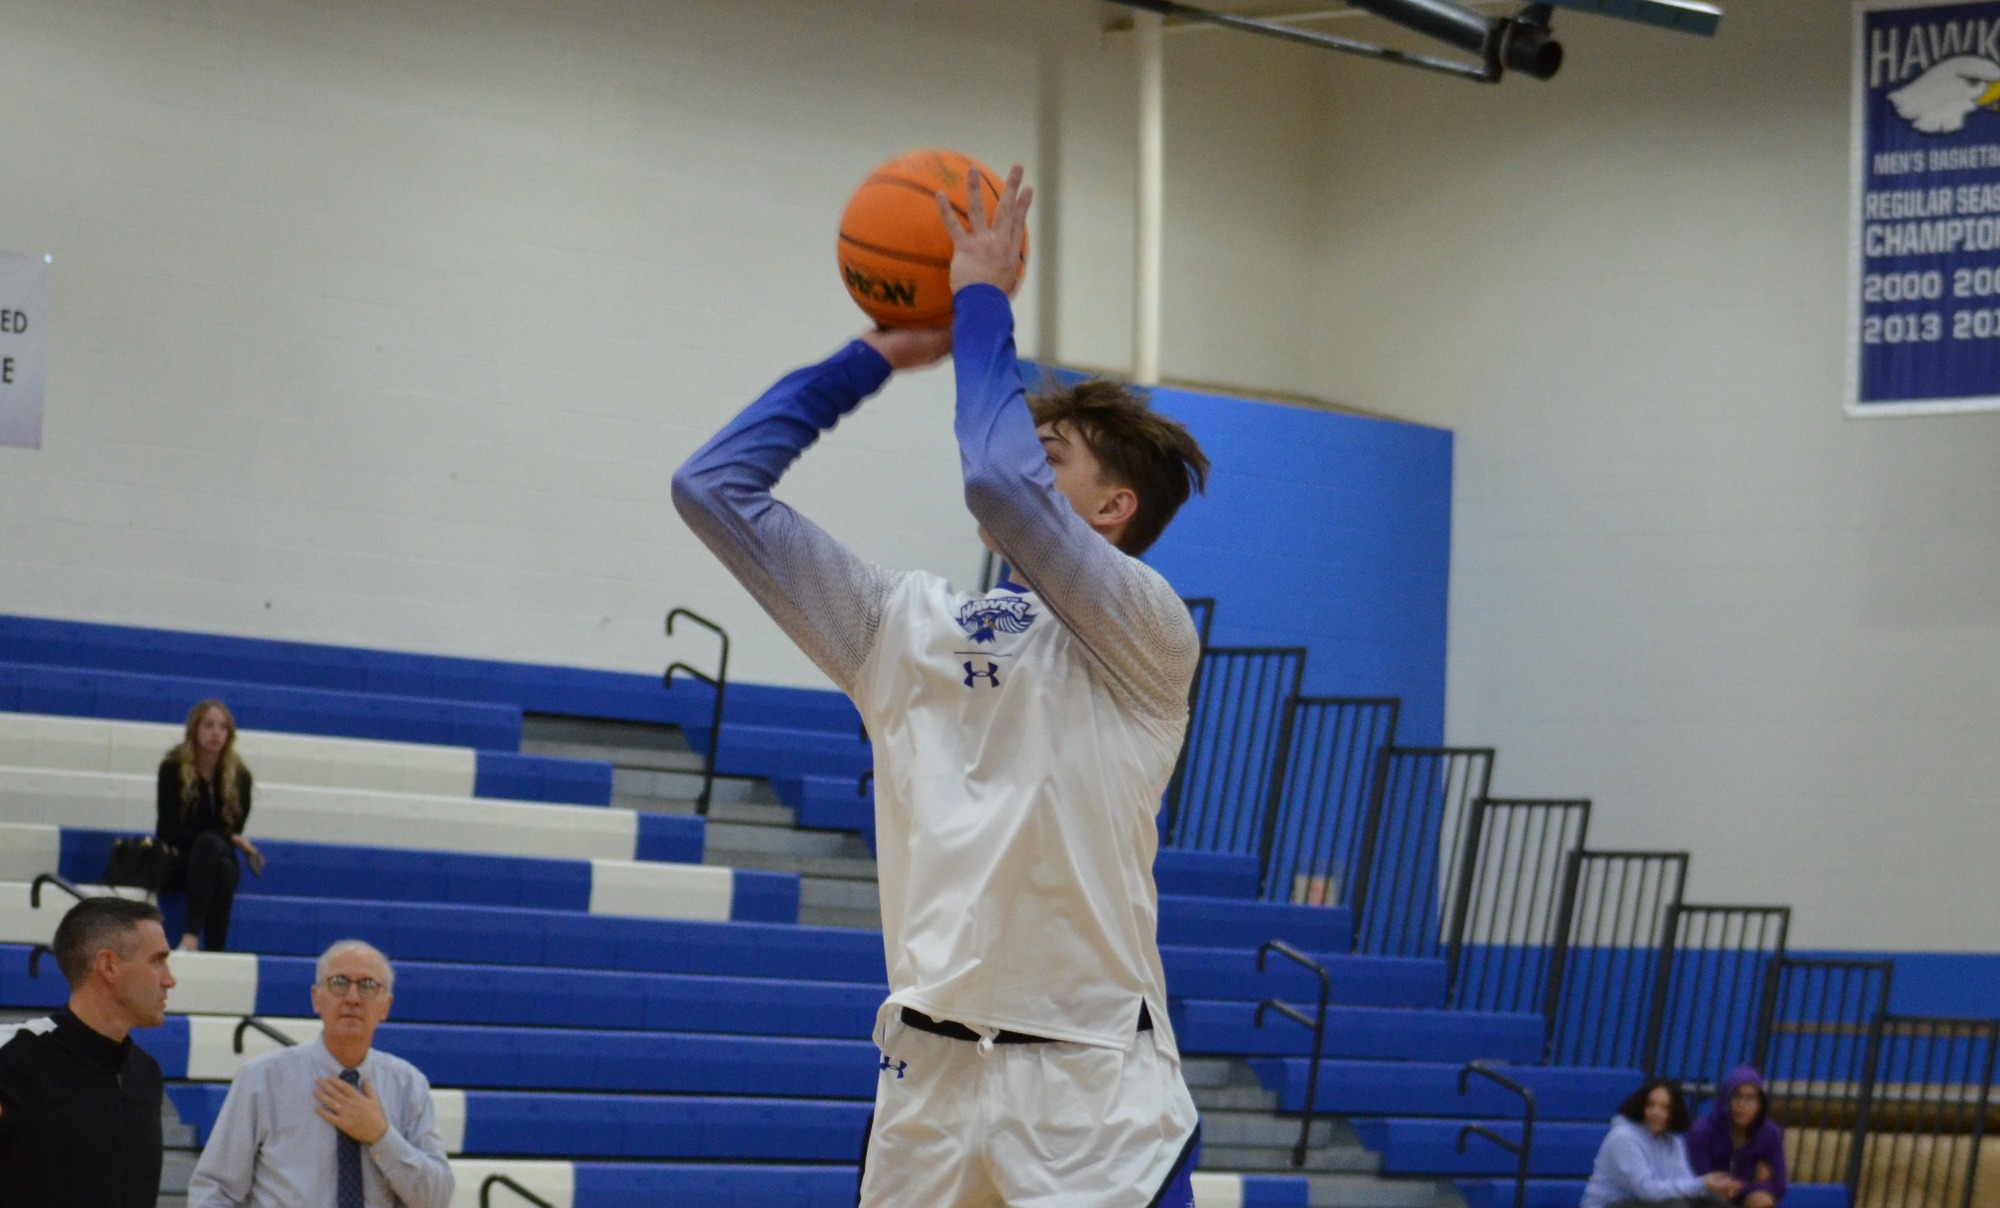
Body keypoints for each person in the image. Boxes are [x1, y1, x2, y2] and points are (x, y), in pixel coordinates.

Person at [674, 165, 1211, 1206]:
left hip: (1088, 1082)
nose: (1022, 462)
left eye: (1051, 453)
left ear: (1111, 510)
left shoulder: (1146, 632)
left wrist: (981, 298)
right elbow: (711, 486)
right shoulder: (897, 624)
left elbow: (992, 481)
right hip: (925, 1071)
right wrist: (867, 357)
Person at [188, 939, 453, 1208]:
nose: (352, 997)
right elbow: (214, 1190)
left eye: (367, 985)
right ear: (316, 998)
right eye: (339, 982)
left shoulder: (409, 1085)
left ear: (386, 1006)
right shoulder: (262, 1079)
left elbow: (437, 1198)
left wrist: (381, 1136)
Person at [0, 896, 176, 1208]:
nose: (169, 980)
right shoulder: (12, 1058)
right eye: (157, 960)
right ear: (108, 965)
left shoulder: (145, 1073)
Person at [157, 699, 264, 951]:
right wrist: (222, 840)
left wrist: (222, 840)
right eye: (208, 725)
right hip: (179, 862)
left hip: (215, 859)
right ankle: (212, 949)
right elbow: (168, 828)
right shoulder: (172, 768)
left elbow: (235, 827)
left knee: (221, 863)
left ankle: (192, 939)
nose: (216, 733)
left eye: (223, 727)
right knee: (218, 859)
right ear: (194, 729)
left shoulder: (240, 776)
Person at [1582, 1078, 1743, 1208]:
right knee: (1676, 1206)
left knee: (1712, 1204)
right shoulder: (1623, 1137)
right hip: (1611, 1204)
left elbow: (1685, 1182)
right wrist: (1703, 1184)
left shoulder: (1673, 1141)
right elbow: (1645, 1191)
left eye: (1664, 1108)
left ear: (1673, 1113)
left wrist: (1715, 1187)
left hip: (1647, 1203)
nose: (1656, 1112)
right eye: (1650, 1104)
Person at [1685, 1065, 1788, 1208]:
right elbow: (1701, 1181)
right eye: (1736, 1096)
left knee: (1762, 1200)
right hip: (1707, 1201)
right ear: (1725, 1098)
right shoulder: (1702, 1131)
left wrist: (1739, 1187)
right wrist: (1755, 1182)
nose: (1742, 1104)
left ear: (1761, 1104)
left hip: (1743, 1197)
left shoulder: (1770, 1133)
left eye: (1750, 1098)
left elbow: (1779, 1186)